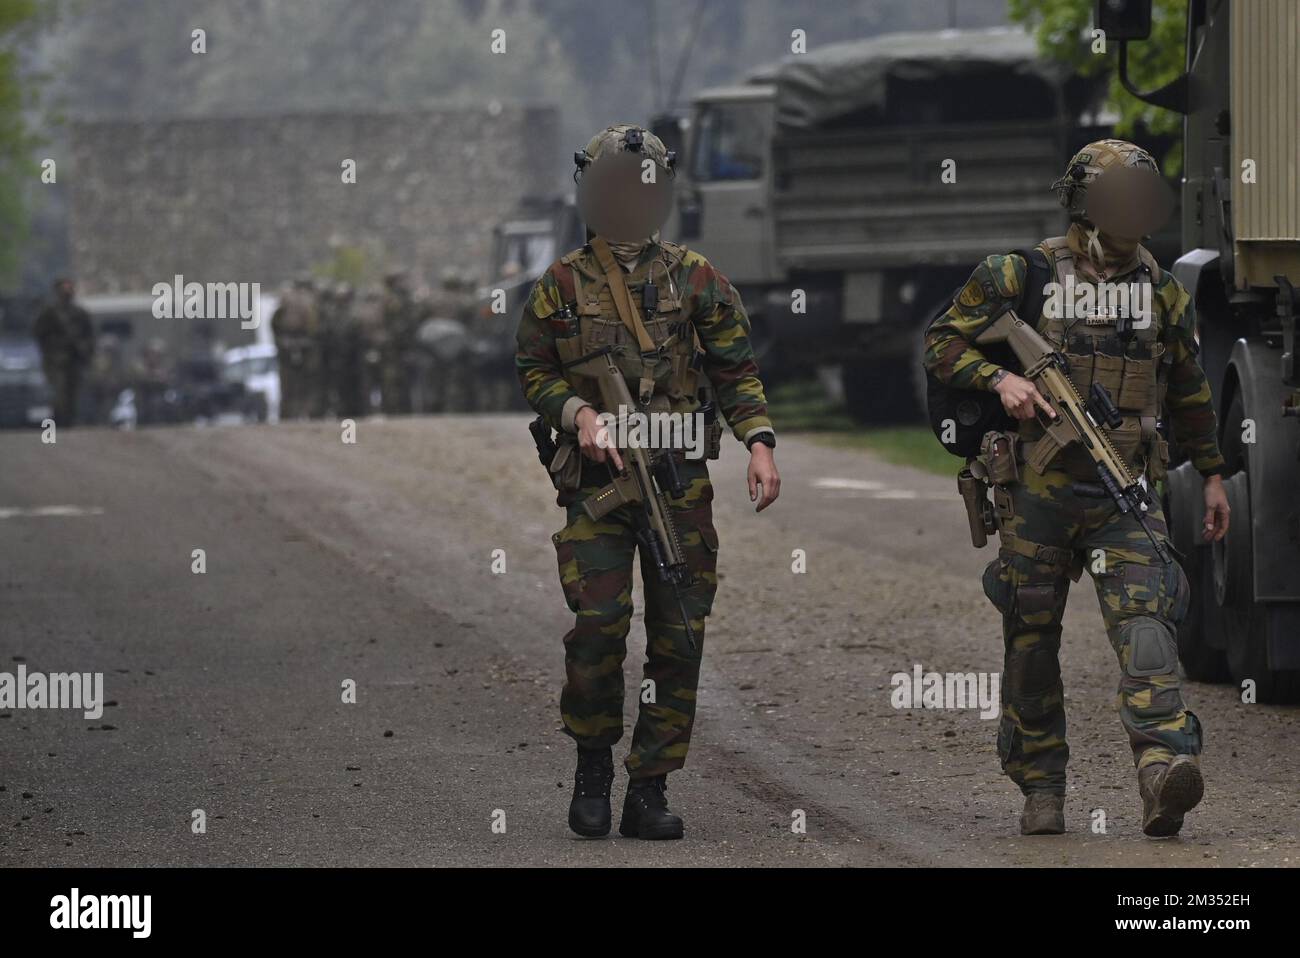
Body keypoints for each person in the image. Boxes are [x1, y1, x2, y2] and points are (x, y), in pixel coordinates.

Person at [923, 139, 1231, 838]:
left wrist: (1212, 475)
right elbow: (942, 342)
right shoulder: (1019, 274)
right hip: (1037, 494)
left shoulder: (1162, 289)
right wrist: (1001, 379)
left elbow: (1188, 389)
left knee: (1149, 626)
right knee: (1031, 639)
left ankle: (1162, 769)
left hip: (1123, 492)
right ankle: (1040, 784)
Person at [516, 125, 780, 840]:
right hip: (598, 483)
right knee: (599, 628)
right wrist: (578, 415)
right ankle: (593, 765)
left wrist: (759, 442)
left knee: (680, 634)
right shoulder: (563, 283)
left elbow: (735, 371)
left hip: (677, 482)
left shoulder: (695, 277)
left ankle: (650, 787)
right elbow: (534, 370)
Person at [33, 278, 95, 426]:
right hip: (56, 360)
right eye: (64, 289)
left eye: (69, 288)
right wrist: (51, 348)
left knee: (73, 391)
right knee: (59, 392)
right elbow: (38, 333)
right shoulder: (50, 313)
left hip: (75, 359)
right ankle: (60, 420)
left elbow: (89, 335)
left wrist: (85, 350)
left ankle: (70, 421)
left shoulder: (80, 313)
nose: (67, 292)